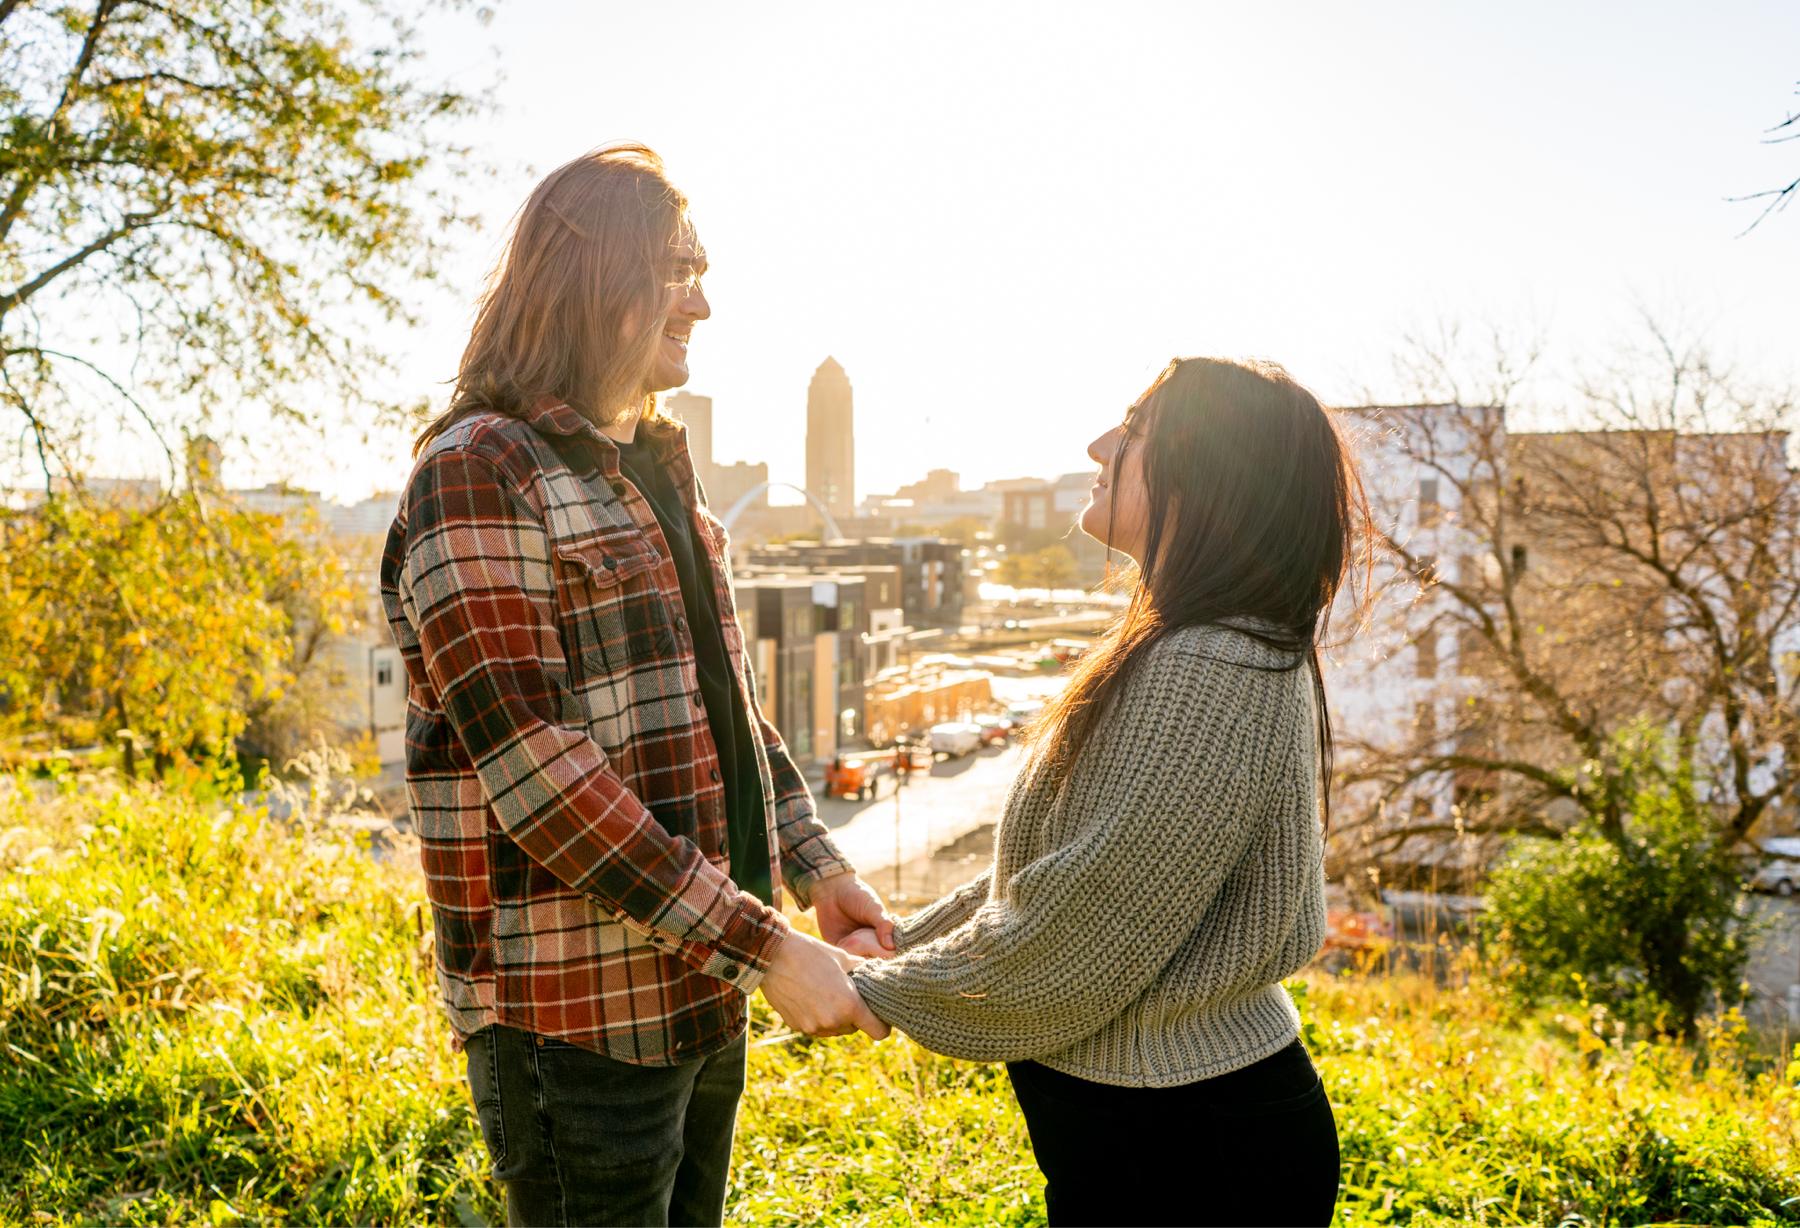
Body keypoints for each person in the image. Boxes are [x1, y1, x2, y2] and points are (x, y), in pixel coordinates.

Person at [380, 144, 892, 1228]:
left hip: (702, 998)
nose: (703, 300)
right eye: (676, 267)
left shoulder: (664, 481)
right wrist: (769, 949)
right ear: (593, 276)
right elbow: (539, 776)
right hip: (574, 1023)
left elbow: (728, 714)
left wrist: (815, 863)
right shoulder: (480, 470)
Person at [845, 357, 1368, 1227]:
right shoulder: (1201, 644)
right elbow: (1069, 867)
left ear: (1206, 474)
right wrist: (899, 942)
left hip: (1189, 1150)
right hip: (1169, 1127)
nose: (1098, 445)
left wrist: (873, 989)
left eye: (1136, 431)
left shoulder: (1208, 667)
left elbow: (1077, 935)